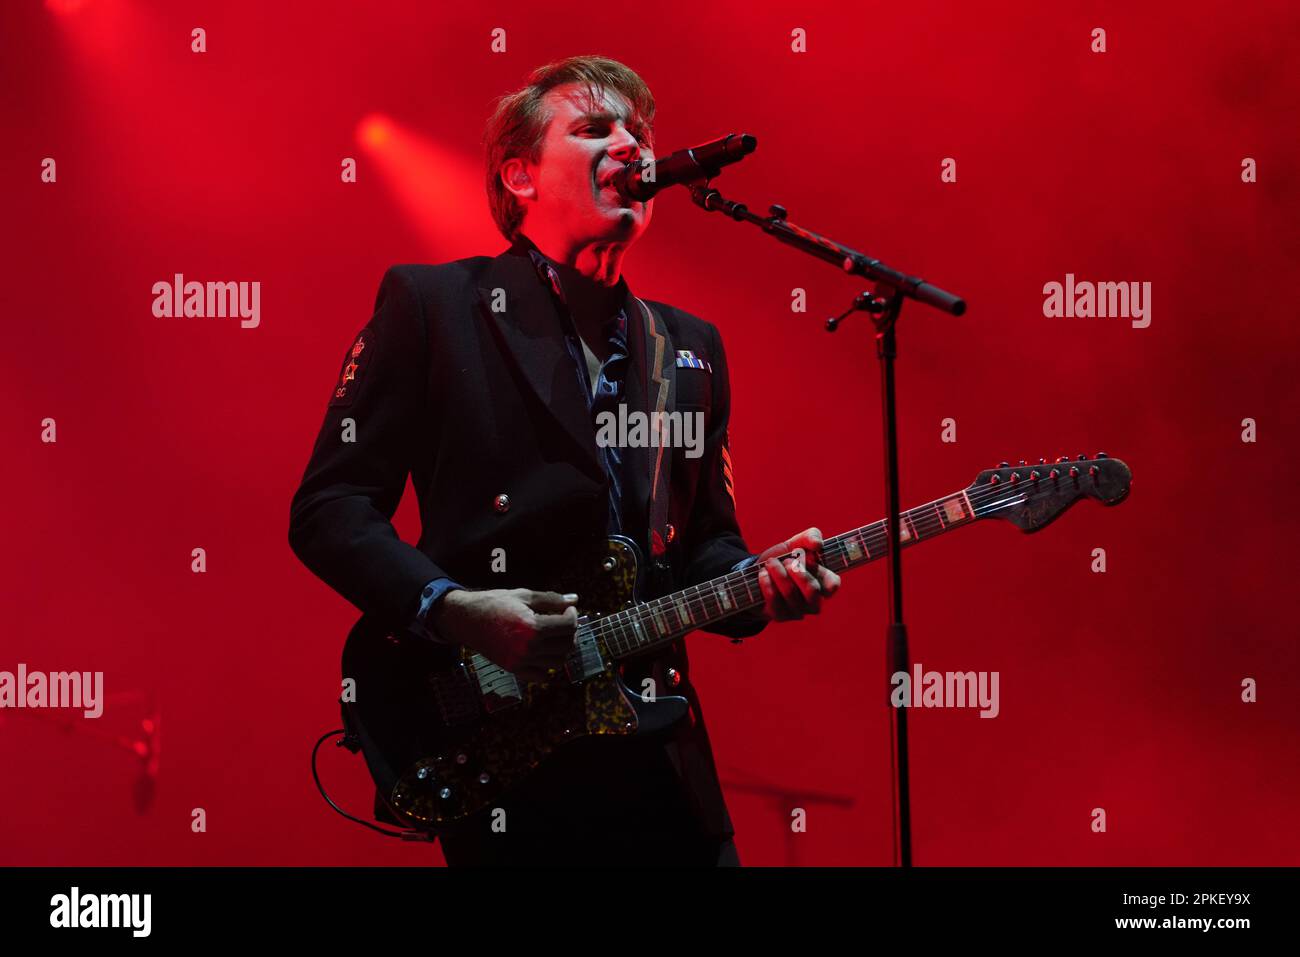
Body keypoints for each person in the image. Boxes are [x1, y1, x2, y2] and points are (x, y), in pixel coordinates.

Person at [288, 54, 841, 866]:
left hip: (665, 763)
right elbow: (331, 509)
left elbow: (704, 549)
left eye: (639, 132)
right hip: (507, 750)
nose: (629, 145)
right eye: (593, 129)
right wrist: (452, 607)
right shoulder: (435, 307)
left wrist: (761, 582)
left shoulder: (689, 347)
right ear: (520, 175)